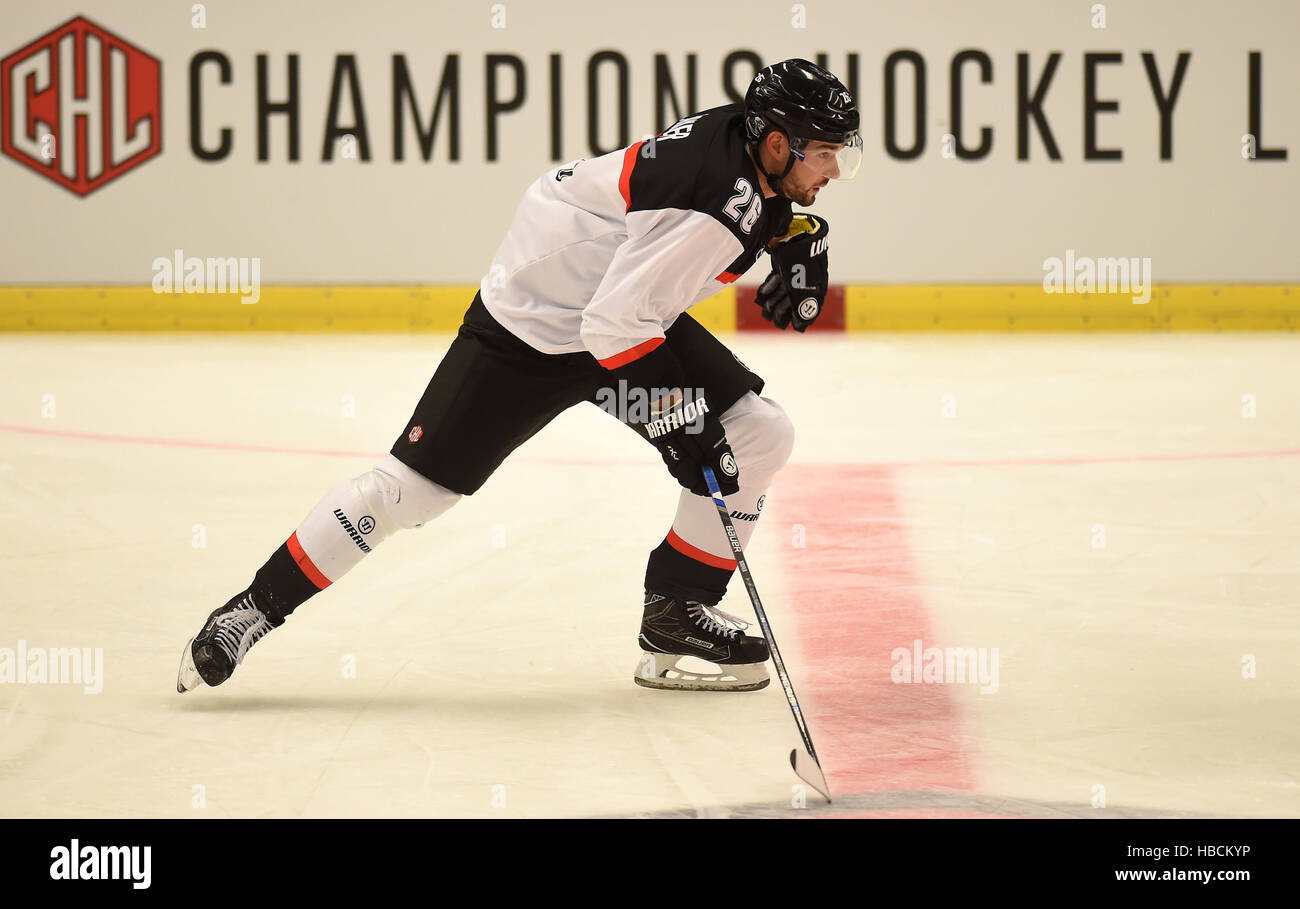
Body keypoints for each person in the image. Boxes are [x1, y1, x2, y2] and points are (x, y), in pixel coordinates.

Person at [176, 58, 862, 695]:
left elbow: (657, 271)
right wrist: (677, 416)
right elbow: (616, 323)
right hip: (529, 327)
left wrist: (796, 232)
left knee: (758, 435)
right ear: (777, 145)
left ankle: (676, 613)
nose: (833, 169)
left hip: (611, 303)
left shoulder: (741, 148)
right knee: (408, 495)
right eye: (825, 153)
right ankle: (252, 610)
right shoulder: (715, 201)